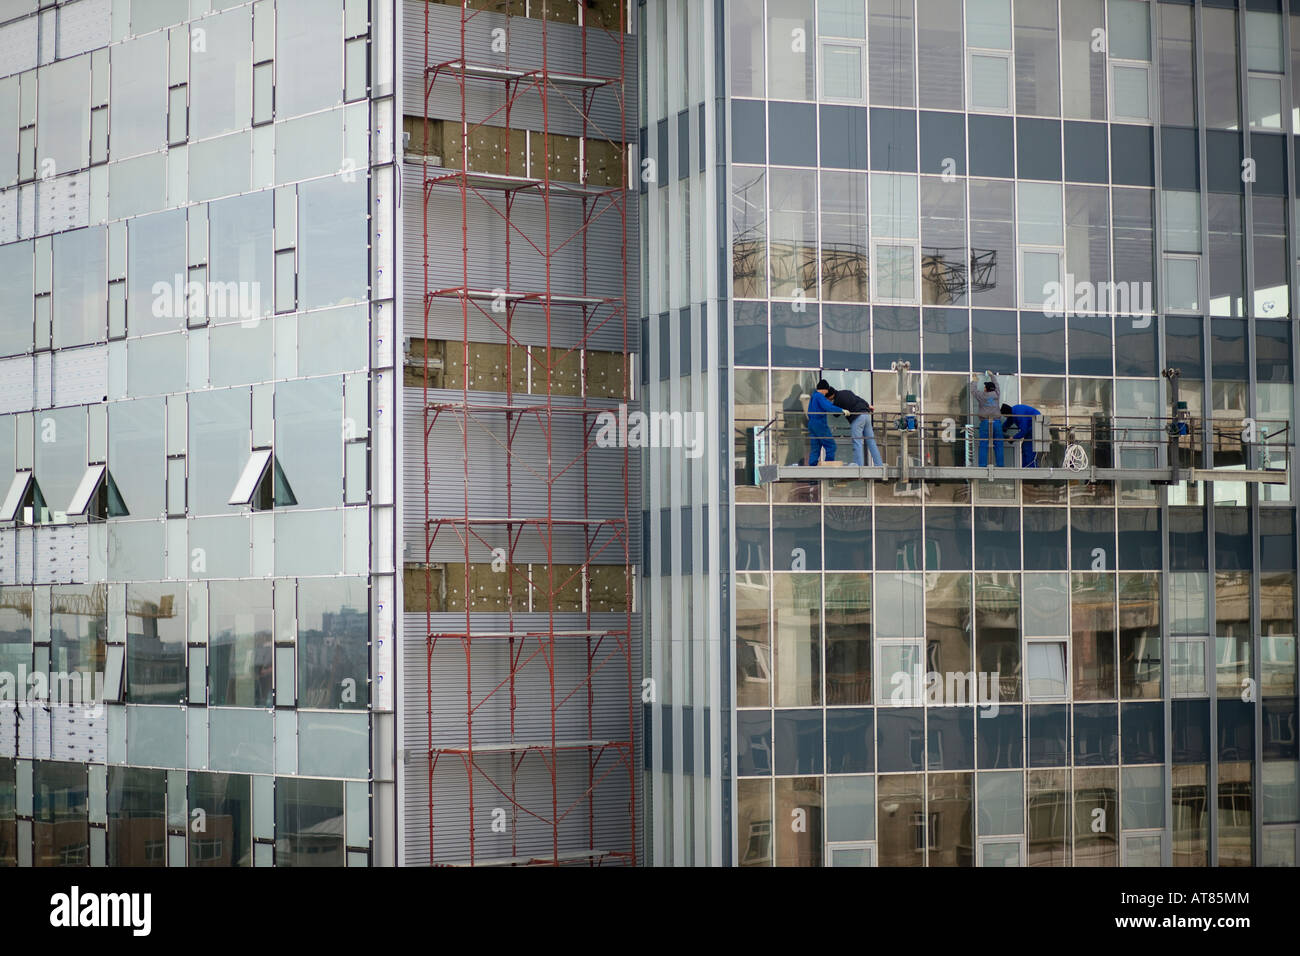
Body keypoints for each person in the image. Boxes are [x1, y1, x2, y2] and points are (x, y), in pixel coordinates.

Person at [825, 382, 884, 466]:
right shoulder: (847, 392)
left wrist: (830, 406)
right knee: (871, 441)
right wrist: (868, 405)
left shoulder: (837, 400)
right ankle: (879, 464)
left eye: (827, 398)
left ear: (830, 395)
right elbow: (859, 399)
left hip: (857, 418)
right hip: (866, 415)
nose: (828, 400)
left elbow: (836, 414)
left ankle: (858, 465)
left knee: (857, 442)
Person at [967, 370, 1004, 467]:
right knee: (999, 444)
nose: (983, 388)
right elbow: (997, 385)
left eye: (984, 387)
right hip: (997, 422)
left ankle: (982, 465)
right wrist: (992, 376)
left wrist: (974, 380)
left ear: (986, 389)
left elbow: (973, 391)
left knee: (983, 444)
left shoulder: (982, 396)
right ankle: (1000, 465)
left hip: (985, 422)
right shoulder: (997, 394)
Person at [807, 380, 839, 465]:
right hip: (820, 424)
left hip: (812, 424)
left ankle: (812, 473)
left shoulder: (813, 396)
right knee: (831, 446)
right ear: (823, 389)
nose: (827, 392)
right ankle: (828, 468)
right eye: (827, 390)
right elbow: (828, 407)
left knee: (815, 449)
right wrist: (841, 410)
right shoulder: (819, 396)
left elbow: (809, 412)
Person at [1001, 402, 1041, 468]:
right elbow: (1009, 421)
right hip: (1031, 427)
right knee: (1025, 447)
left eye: (1005, 416)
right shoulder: (1013, 411)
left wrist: (1013, 438)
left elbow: (1024, 431)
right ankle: (1026, 468)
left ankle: (1032, 470)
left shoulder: (1018, 414)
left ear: (1007, 413)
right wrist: (1001, 429)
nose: (1005, 417)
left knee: (1029, 449)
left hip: (1035, 426)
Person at [782, 383, 809, 465]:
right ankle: (793, 465)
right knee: (797, 450)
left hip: (790, 429)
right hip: (795, 429)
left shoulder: (785, 401)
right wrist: (809, 425)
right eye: (800, 393)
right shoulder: (797, 402)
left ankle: (789, 464)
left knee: (793, 449)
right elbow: (803, 417)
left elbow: (785, 416)